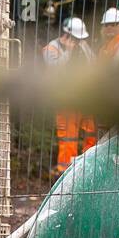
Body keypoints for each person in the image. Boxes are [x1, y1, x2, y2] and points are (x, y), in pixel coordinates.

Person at [42, 17, 97, 175]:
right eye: (76, 39)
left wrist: (83, 49)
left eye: (81, 39)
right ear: (66, 36)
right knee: (68, 139)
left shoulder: (83, 46)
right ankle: (65, 173)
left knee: (91, 134)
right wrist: (69, 52)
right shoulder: (51, 49)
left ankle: (89, 170)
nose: (79, 42)